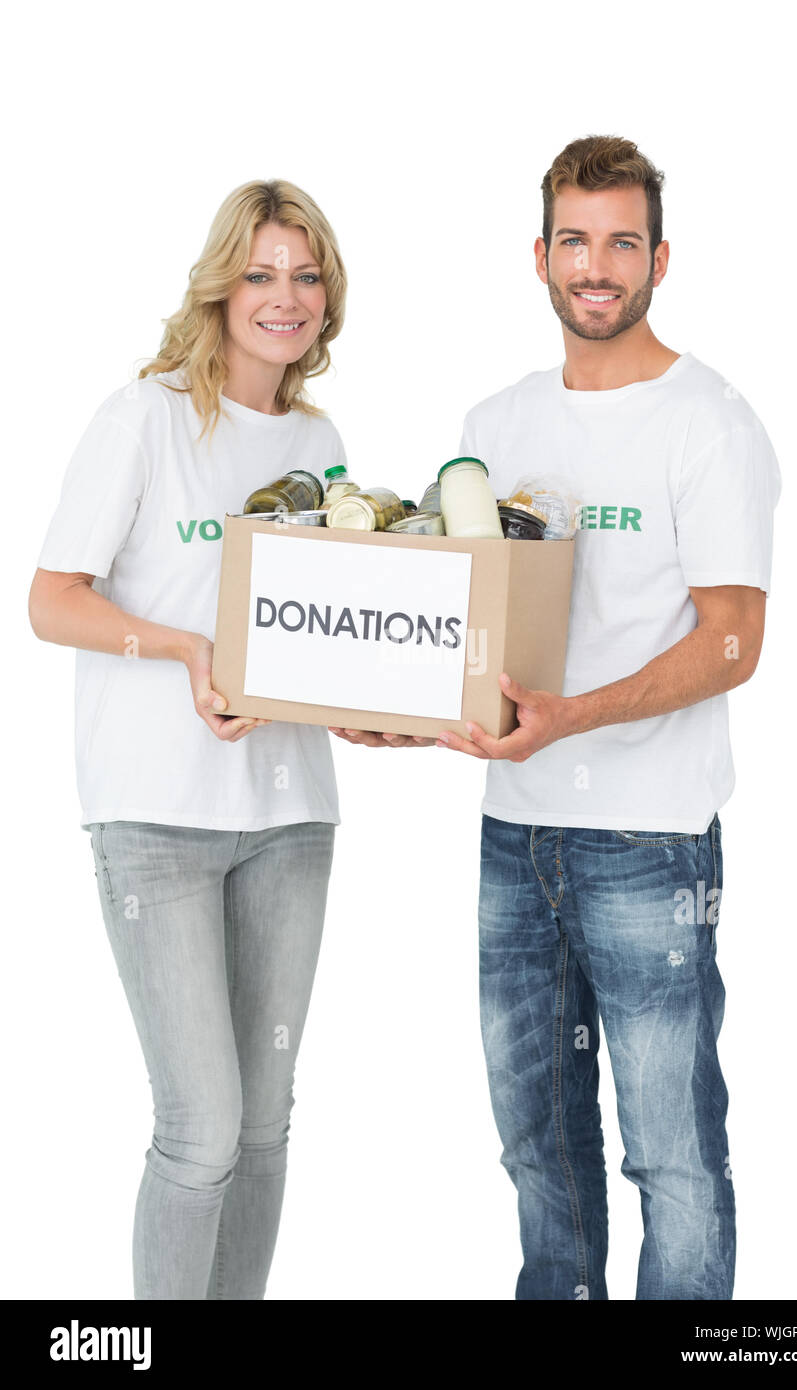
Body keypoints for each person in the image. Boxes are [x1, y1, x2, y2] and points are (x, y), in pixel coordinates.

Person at [331, 135, 781, 1300]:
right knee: (537, 1153)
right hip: (511, 837)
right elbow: (470, 627)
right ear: (538, 258)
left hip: (650, 840)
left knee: (670, 1158)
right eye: (573, 242)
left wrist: (572, 716)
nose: (596, 266)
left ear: (658, 259)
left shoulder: (708, 422)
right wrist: (398, 715)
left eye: (620, 242)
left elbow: (733, 639)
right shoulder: (495, 419)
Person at [29, 180, 349, 1300]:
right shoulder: (146, 416)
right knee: (201, 1125)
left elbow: (321, 632)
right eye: (261, 272)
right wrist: (180, 650)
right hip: (155, 820)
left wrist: (374, 706)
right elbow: (50, 599)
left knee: (263, 1125)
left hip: (289, 818)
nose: (284, 297)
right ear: (219, 286)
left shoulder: (320, 442)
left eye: (305, 275)